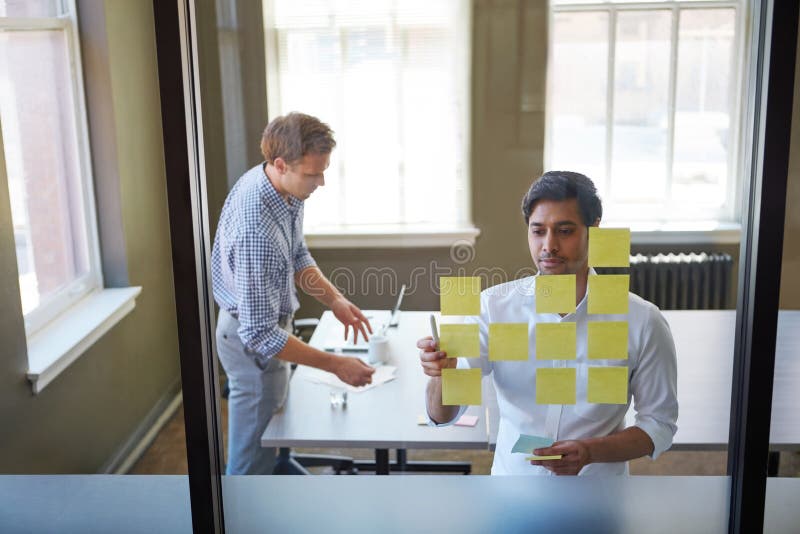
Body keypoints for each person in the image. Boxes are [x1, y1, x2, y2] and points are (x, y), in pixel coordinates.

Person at [418, 171, 678, 475]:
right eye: (538, 231)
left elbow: (659, 426)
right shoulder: (492, 308)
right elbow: (442, 416)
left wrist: (590, 452)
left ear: (594, 231)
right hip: (514, 491)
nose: (548, 245)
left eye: (564, 231)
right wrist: (442, 376)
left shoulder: (643, 320)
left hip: (596, 499)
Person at [212, 112, 375, 475]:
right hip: (251, 341)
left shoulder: (280, 188)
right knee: (250, 459)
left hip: (265, 328)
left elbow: (297, 252)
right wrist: (337, 365)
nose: (321, 182)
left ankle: (280, 488)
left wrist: (334, 300)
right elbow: (259, 334)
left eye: (323, 170)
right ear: (281, 163)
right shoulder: (256, 228)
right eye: (312, 174)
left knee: (274, 437)